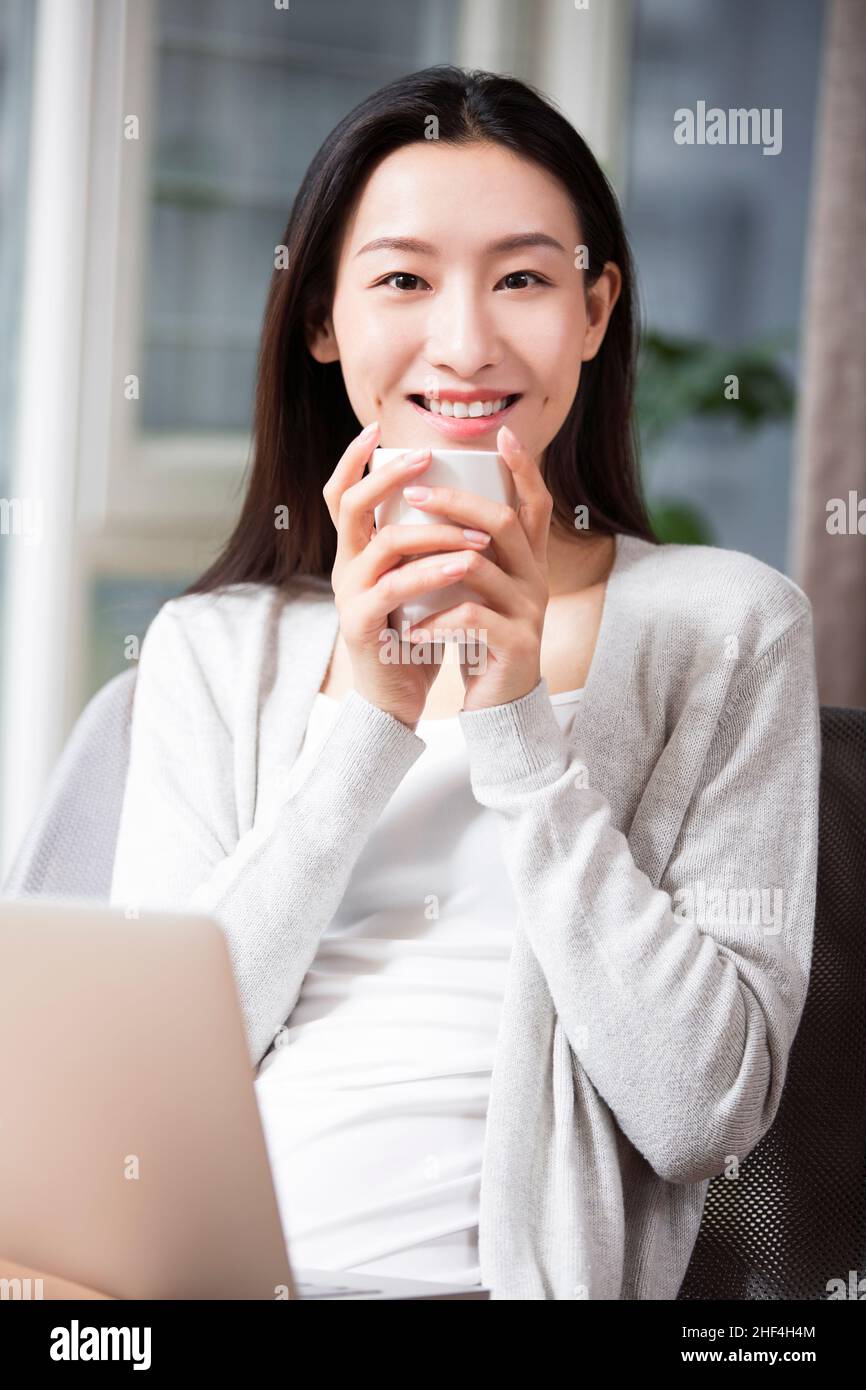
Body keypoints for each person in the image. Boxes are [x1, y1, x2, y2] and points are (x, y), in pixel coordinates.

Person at [109, 65, 820, 1299]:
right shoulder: (214, 647)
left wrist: (515, 729)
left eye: (523, 278)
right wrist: (368, 719)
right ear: (321, 321)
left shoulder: (723, 628)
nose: (465, 342)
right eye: (400, 279)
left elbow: (703, 1107)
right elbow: (138, 1096)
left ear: (594, 312)